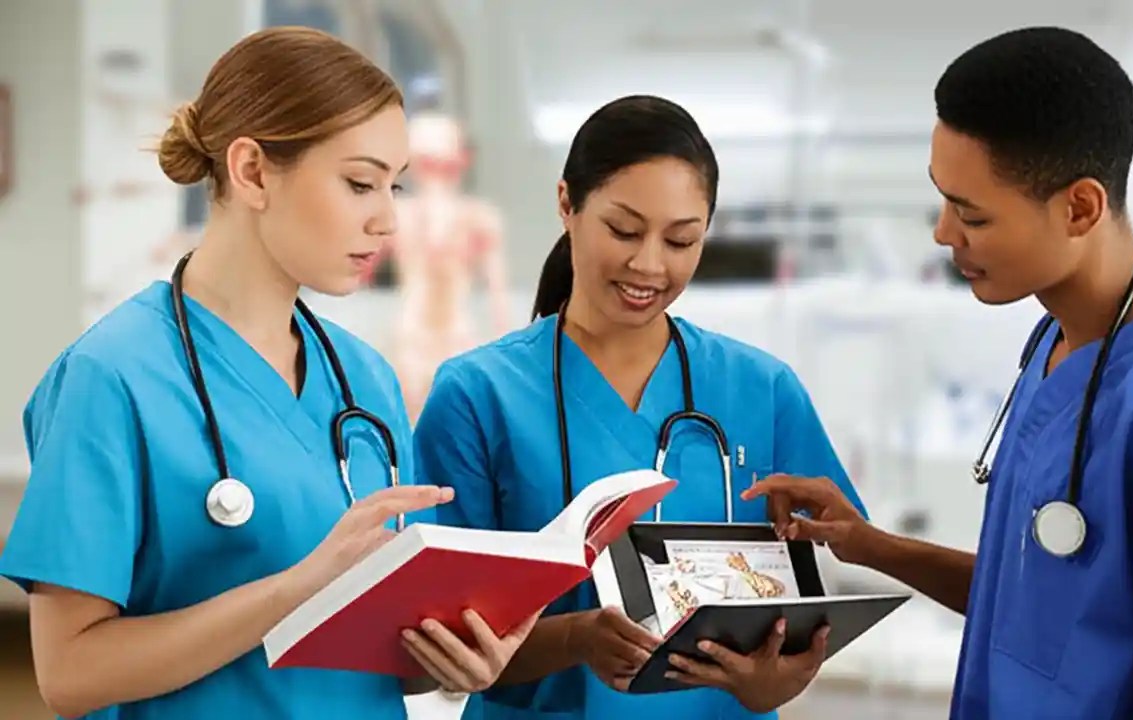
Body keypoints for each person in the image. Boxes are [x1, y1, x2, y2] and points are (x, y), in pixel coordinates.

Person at [0, 27, 536, 720]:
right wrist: (296, 588)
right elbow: (70, 674)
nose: (387, 220)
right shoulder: (110, 378)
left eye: (394, 185)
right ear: (252, 171)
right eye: (360, 183)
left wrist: (454, 664)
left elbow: (380, 653)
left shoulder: (365, 381)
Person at [745, 26, 1133, 719]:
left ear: (1080, 208)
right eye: (943, 201)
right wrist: (870, 546)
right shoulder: (1055, 343)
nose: (944, 233)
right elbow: (1038, 605)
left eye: (971, 215)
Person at [412, 94, 868, 719]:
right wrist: (573, 639)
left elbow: (809, 608)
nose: (649, 264)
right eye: (624, 231)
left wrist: (779, 685)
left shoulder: (762, 390)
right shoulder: (477, 394)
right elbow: (434, 634)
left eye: (681, 240)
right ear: (567, 203)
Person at [372, 111, 511, 424]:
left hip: (456, 335)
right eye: (427, 164)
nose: (435, 175)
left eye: (442, 165)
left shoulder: (479, 218)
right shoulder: (396, 215)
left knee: (456, 426)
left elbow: (498, 298)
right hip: (412, 337)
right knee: (411, 426)